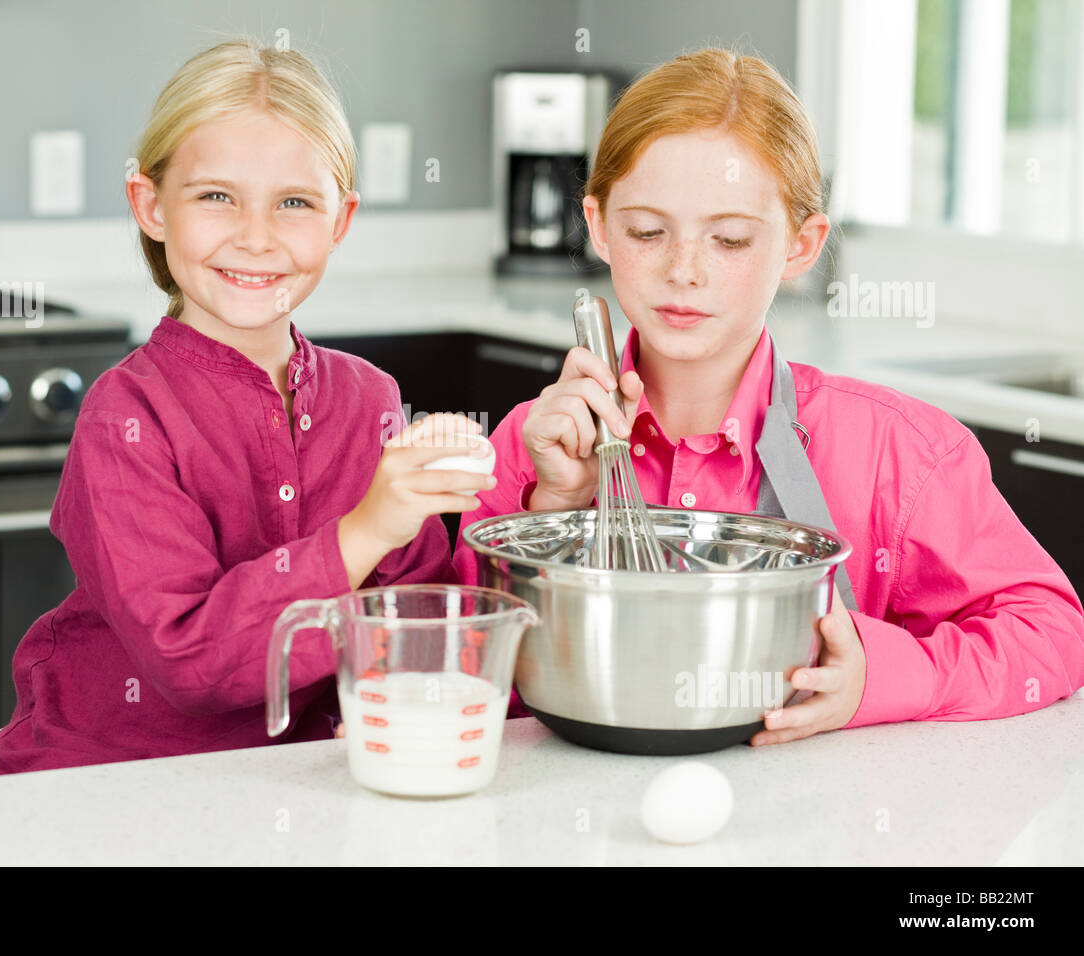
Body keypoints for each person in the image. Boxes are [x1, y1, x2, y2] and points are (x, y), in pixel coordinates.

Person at [452, 46, 1084, 746]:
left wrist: (883, 676)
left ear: (801, 245)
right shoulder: (530, 445)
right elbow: (454, 659)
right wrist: (555, 510)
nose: (683, 271)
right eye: (646, 232)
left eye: (729, 239)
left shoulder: (901, 456)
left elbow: (1051, 632)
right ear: (598, 226)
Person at [0, 38, 491, 774]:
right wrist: (366, 529)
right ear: (151, 205)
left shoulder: (371, 398)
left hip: (305, 783)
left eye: (294, 203)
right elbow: (191, 662)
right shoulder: (125, 418)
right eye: (216, 196)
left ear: (340, 221)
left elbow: (422, 623)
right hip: (116, 785)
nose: (256, 238)